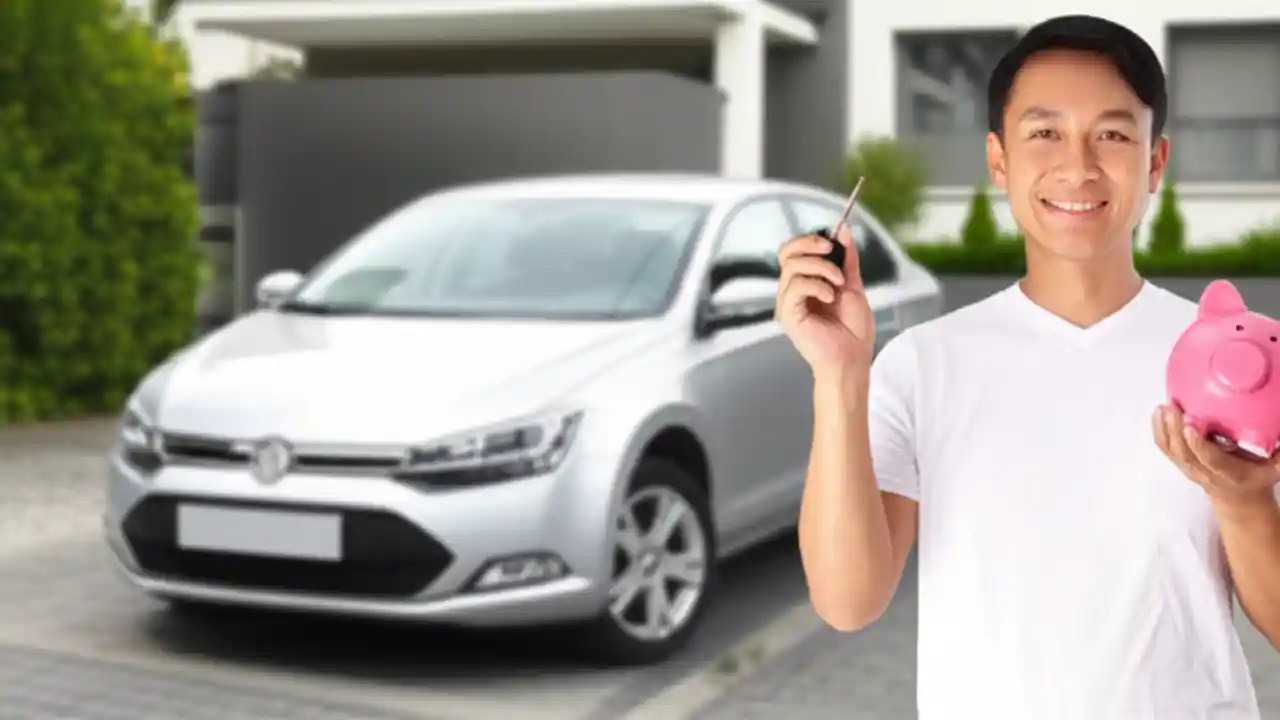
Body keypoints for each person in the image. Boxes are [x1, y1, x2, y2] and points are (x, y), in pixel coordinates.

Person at [775, 13, 1280, 719]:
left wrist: (1242, 498)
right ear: (999, 160)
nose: (1078, 167)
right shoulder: (922, 365)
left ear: (1155, 161)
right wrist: (838, 377)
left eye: (1111, 134)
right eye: (1045, 133)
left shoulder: (1234, 359)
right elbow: (848, 603)